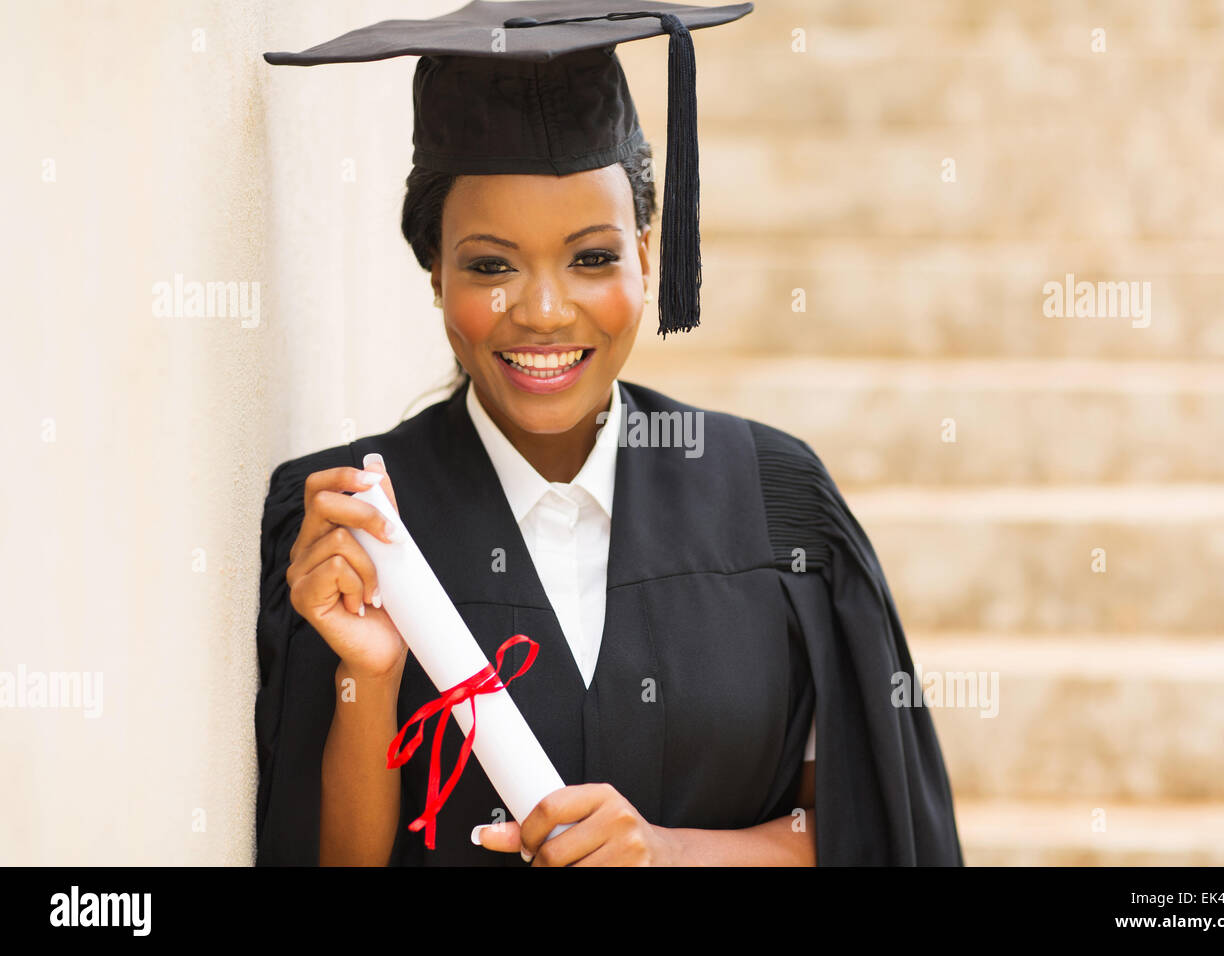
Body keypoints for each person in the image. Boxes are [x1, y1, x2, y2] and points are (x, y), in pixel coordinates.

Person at [255, 0, 963, 866]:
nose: (546, 312)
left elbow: (862, 831)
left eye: (592, 257)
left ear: (646, 253)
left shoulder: (774, 505)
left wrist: (666, 852)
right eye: (490, 266)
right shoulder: (355, 528)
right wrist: (369, 675)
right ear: (435, 273)